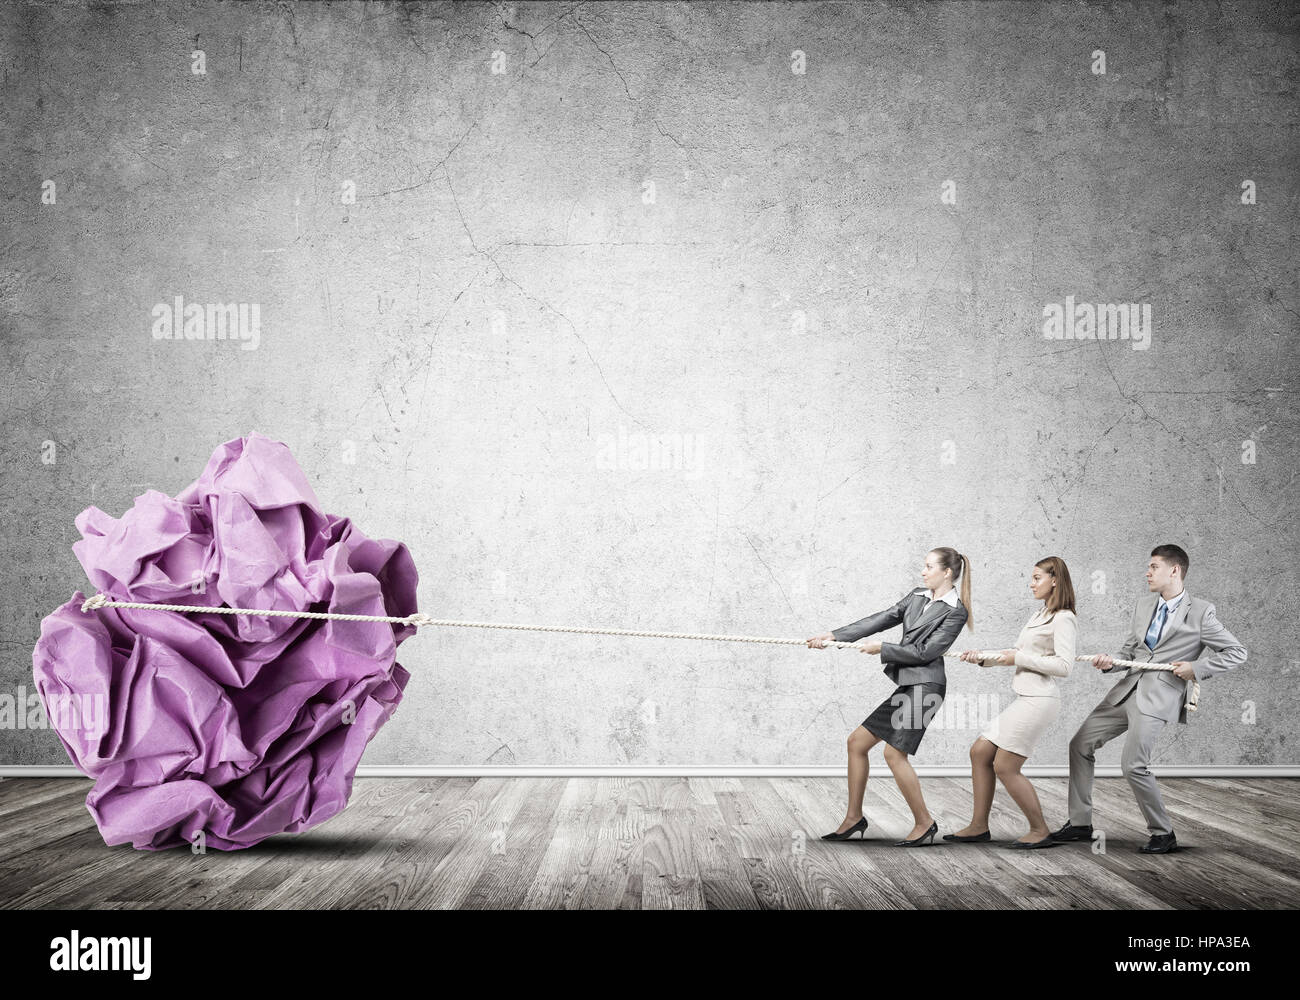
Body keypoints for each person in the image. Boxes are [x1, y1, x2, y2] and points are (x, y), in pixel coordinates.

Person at [1051, 544, 1246, 853]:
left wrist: (1196, 668)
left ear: (1174, 570)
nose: (1147, 572)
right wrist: (1111, 662)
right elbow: (1130, 653)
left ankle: (1162, 833)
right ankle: (1079, 824)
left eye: (1154, 566)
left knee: (1133, 765)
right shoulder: (1144, 605)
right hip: (1126, 690)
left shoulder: (1201, 612)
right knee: (1080, 744)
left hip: (1159, 696)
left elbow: (1237, 652)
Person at [807, 547, 973, 847]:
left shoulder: (956, 611)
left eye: (928, 566)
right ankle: (853, 818)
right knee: (857, 742)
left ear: (947, 572)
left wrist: (882, 649)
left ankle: (925, 823)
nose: (923, 572)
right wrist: (834, 636)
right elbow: (882, 618)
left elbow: (926, 653)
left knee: (894, 754)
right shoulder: (916, 596)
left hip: (927, 686)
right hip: (908, 685)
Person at [949, 556, 1077, 848]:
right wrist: (984, 658)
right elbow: (1016, 652)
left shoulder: (1064, 618)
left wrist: (1018, 657)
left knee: (1005, 766)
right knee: (980, 752)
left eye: (1036, 578)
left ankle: (1040, 829)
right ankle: (979, 826)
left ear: (1054, 579)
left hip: (1040, 699)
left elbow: (1065, 666)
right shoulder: (1040, 614)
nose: (1031, 584)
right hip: (1026, 696)